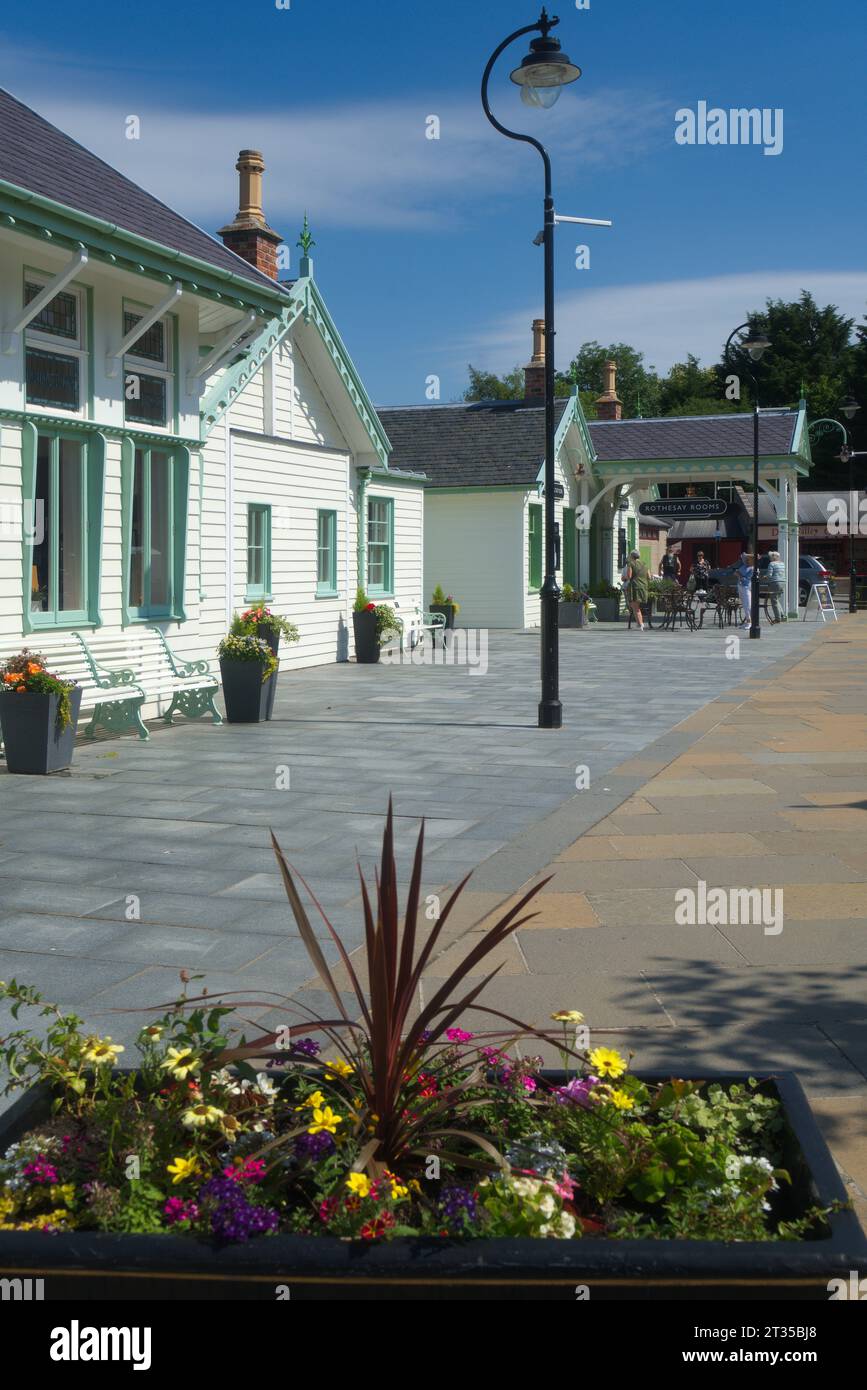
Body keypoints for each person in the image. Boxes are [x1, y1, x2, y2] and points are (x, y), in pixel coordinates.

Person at [625, 550, 650, 631]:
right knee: (636, 606)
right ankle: (639, 623)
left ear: (632, 556)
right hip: (644, 586)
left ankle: (640, 624)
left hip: (635, 587)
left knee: (635, 607)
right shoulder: (645, 564)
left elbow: (629, 576)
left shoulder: (631, 564)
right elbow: (649, 576)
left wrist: (624, 578)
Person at [734, 551, 754, 629]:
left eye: (748, 559)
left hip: (746, 587)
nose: (746, 560)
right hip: (740, 586)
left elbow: (746, 579)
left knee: (748, 604)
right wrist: (739, 574)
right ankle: (747, 621)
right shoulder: (744, 566)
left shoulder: (752, 568)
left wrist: (739, 575)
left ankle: (750, 622)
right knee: (744, 605)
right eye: (746, 559)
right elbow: (742, 555)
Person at [766, 550, 786, 623]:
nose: (770, 558)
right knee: (777, 600)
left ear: (773, 557)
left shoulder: (772, 564)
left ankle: (778, 619)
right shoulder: (782, 564)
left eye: (770, 557)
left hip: (775, 583)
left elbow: (769, 575)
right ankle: (782, 615)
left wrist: (765, 577)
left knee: (774, 601)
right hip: (783, 582)